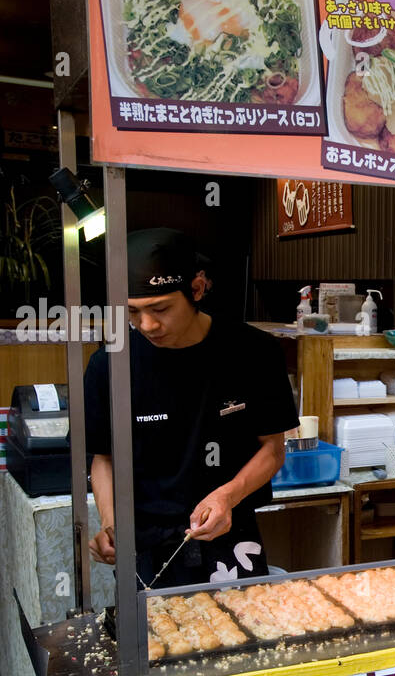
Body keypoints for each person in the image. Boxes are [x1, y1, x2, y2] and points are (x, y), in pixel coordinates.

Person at [85, 228, 297, 587]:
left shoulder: (253, 352)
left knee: (238, 636)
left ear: (197, 289)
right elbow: (104, 457)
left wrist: (228, 495)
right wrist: (110, 522)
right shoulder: (110, 365)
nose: (147, 325)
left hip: (230, 532)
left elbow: (273, 450)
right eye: (133, 312)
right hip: (146, 541)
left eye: (160, 308)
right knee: (154, 640)